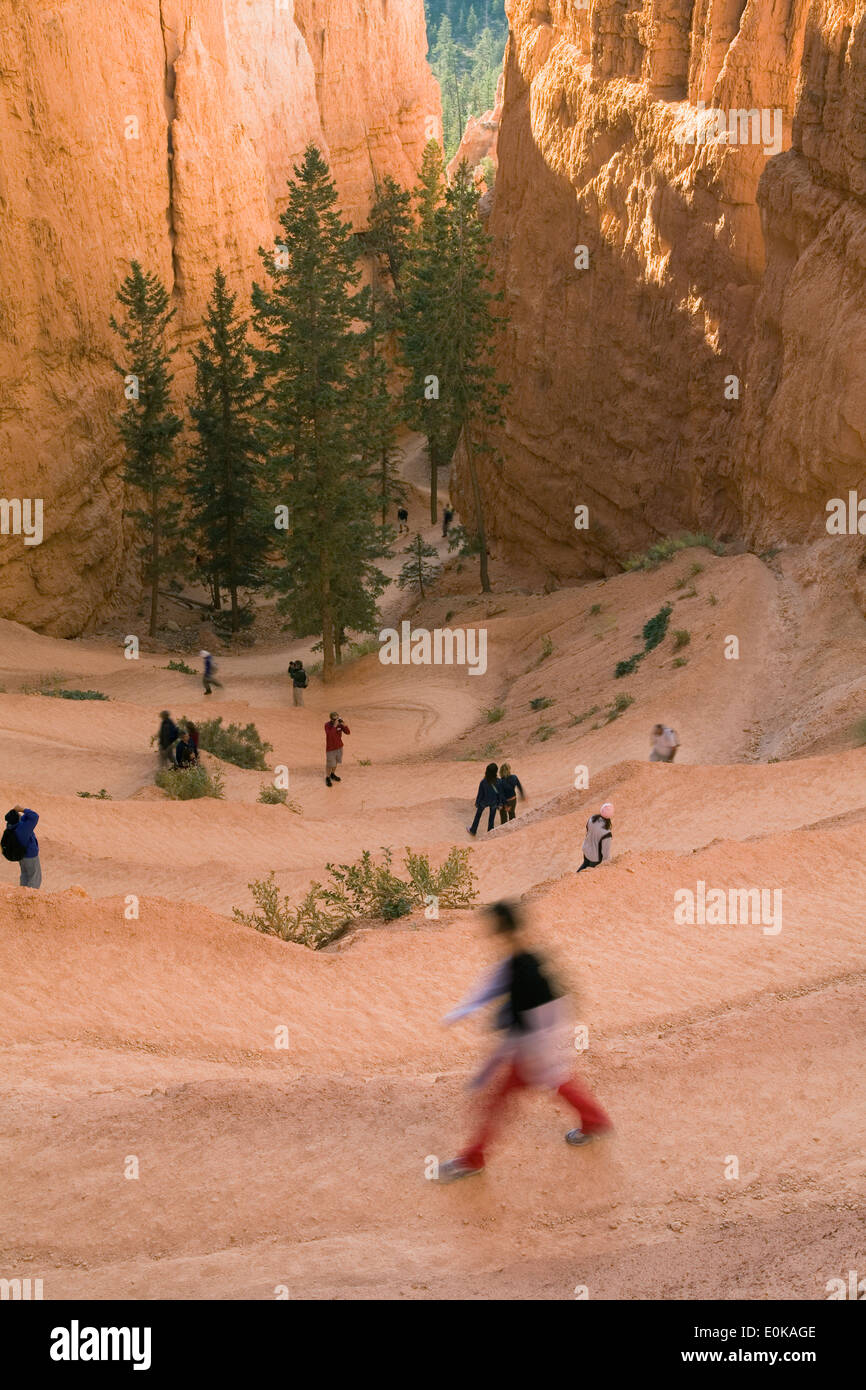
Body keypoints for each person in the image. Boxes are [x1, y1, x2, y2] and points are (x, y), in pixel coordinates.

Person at [436, 900, 612, 1182]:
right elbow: (498, 983)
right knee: (558, 1081)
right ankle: (595, 1121)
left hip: (536, 1046)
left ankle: (472, 1160)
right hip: (548, 1037)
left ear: (499, 930)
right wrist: (463, 1011)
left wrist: (485, 1072)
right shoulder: (527, 957)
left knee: (498, 1101)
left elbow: (517, 1031)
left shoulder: (522, 972)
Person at [2, 806, 42, 889]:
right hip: (30, 856)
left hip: (21, 855)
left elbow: (25, 818)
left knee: (25, 875)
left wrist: (22, 812)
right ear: (18, 819)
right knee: (34, 877)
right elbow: (34, 816)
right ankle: (31, 894)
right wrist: (22, 809)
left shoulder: (12, 826)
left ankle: (22, 892)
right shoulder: (23, 828)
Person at [577, 802, 613, 871]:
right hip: (595, 858)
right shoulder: (607, 833)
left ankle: (574, 876)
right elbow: (605, 852)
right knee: (590, 872)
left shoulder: (592, 819)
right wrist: (607, 863)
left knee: (585, 864)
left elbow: (588, 831)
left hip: (586, 849)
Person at [468, 763, 500, 836]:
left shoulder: (483, 782)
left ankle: (473, 830)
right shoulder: (499, 781)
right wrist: (499, 803)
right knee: (491, 818)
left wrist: (477, 802)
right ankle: (490, 832)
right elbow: (500, 793)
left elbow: (480, 794)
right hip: (494, 801)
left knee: (478, 815)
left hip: (484, 801)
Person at [325, 713, 350, 787]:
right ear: (331, 719)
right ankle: (327, 777)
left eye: (337, 718)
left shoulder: (340, 724)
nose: (336, 720)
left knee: (336, 762)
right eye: (334, 719)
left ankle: (332, 774)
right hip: (330, 748)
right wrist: (334, 726)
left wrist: (344, 725)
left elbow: (348, 732)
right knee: (330, 764)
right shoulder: (327, 725)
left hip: (339, 747)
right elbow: (330, 735)